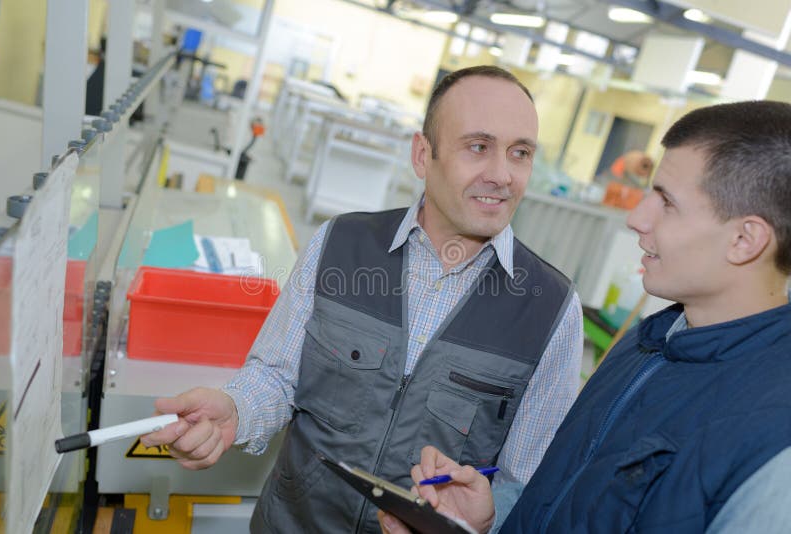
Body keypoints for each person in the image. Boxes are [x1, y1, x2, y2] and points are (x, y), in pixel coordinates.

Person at [141, 65, 584, 533]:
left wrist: (482, 523)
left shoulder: (550, 310)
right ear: (422, 155)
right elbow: (277, 378)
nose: (502, 175)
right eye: (478, 147)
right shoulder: (341, 243)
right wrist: (236, 409)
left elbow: (528, 484)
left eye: (520, 154)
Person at [378, 100, 791, 534]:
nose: (636, 218)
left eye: (666, 202)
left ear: (745, 240)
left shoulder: (774, 450)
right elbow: (567, 496)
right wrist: (492, 517)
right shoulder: (646, 345)